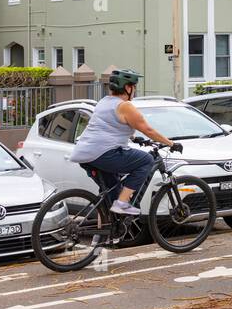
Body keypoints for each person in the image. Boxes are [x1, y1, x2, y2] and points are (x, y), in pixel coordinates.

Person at [69, 69, 181, 214]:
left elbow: (109, 126)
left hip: (85, 155)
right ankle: (122, 203)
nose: (135, 91)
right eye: (134, 87)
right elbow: (149, 130)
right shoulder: (125, 106)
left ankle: (101, 234)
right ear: (128, 88)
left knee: (110, 195)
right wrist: (171, 143)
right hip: (104, 154)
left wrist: (134, 137)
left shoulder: (104, 102)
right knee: (146, 160)